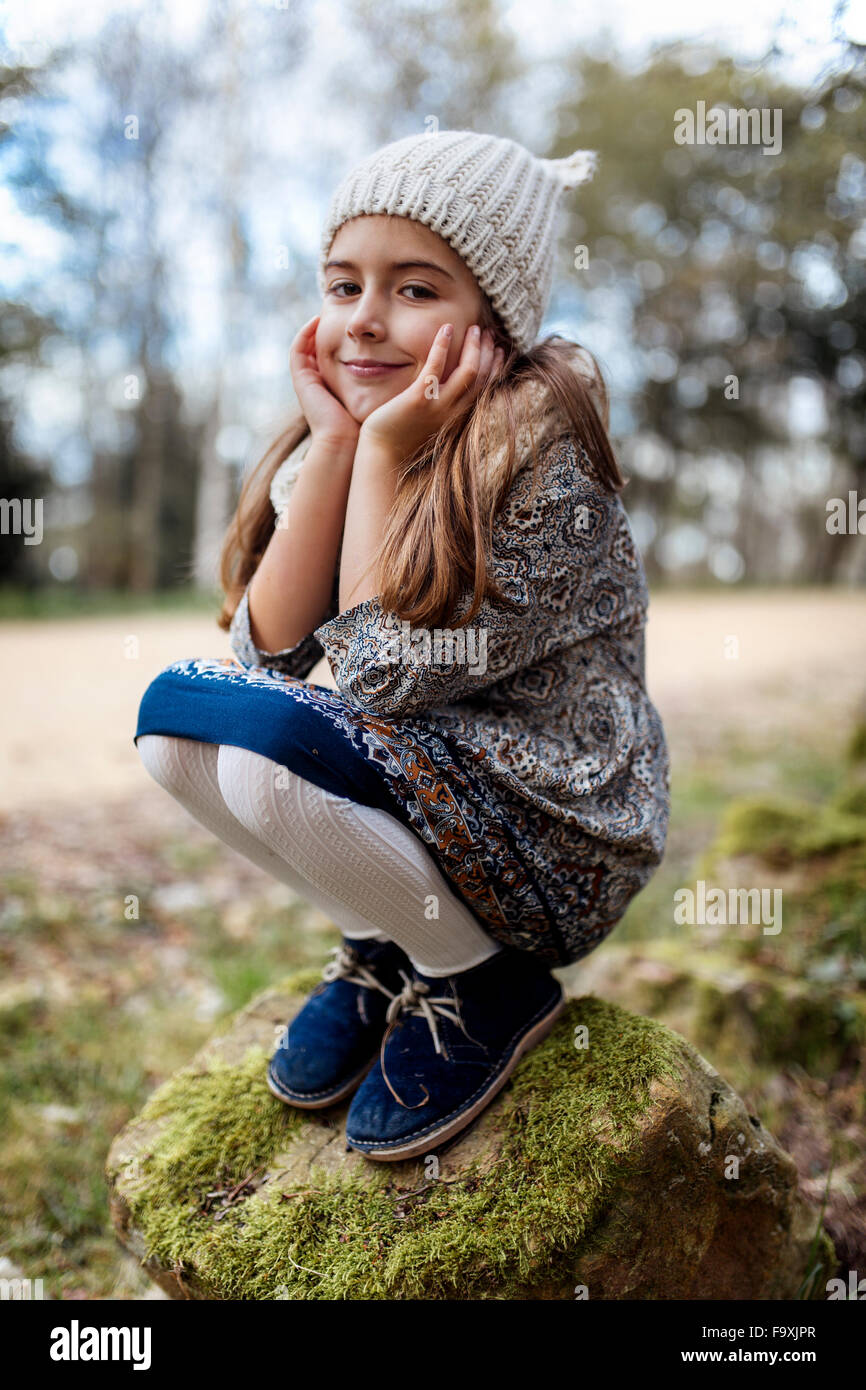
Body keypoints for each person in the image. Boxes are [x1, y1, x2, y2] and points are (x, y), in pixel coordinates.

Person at [133, 128, 671, 1163]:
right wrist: (337, 445)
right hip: (430, 790)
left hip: (555, 830)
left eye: (415, 290)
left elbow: (376, 678)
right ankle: (387, 947)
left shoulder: (541, 457)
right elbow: (270, 659)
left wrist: (380, 447)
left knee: (266, 751)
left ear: (494, 322)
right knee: (174, 730)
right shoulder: (338, 436)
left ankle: (480, 981)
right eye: (341, 285)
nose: (364, 321)